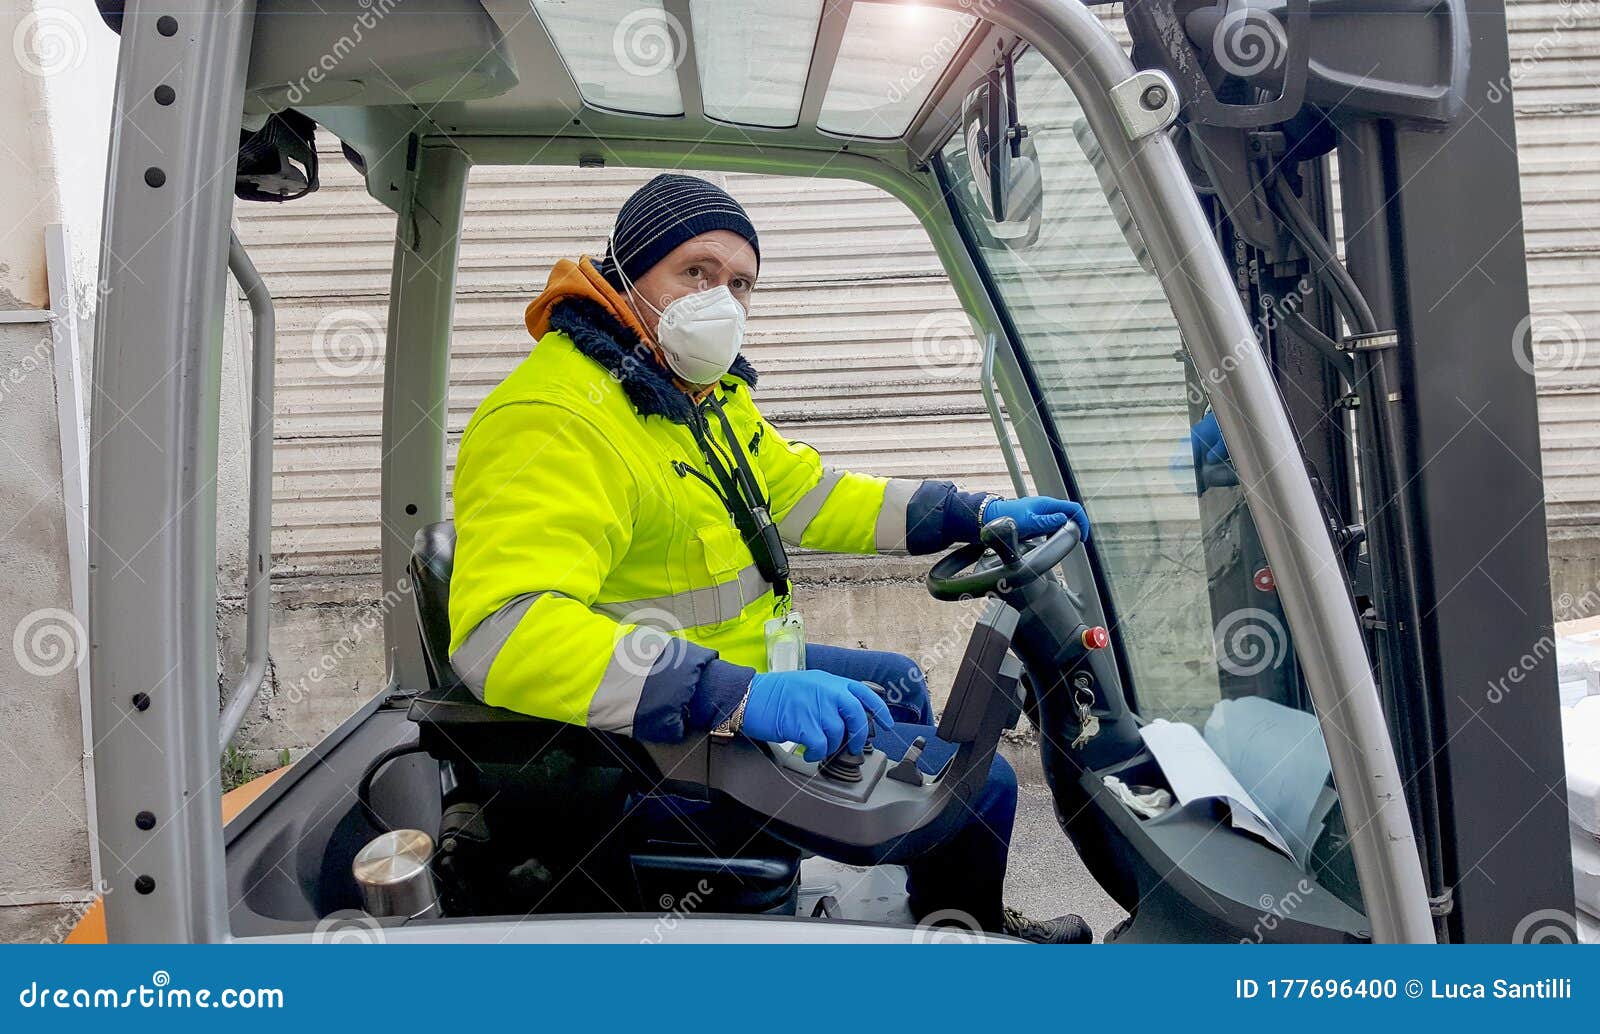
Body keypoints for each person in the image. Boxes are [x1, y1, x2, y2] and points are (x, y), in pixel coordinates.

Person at [448, 173, 1094, 941]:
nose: (721, 299)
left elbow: (808, 492)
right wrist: (740, 698)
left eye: (741, 282)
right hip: (661, 736)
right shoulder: (556, 419)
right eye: (696, 271)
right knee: (979, 783)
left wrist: (971, 511)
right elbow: (502, 633)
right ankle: (968, 936)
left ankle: (927, 912)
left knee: (899, 685)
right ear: (626, 273)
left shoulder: (698, 393)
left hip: (732, 668)